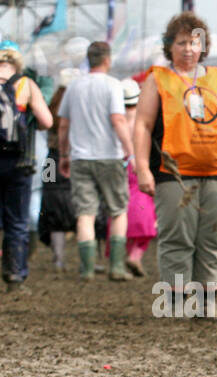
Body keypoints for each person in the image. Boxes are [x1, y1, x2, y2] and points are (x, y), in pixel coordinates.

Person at [134, 12, 217, 302]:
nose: (188, 49)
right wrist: (142, 168)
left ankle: (209, 302)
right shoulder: (158, 79)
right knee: (177, 239)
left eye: (194, 43)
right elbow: (142, 125)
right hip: (175, 174)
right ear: (169, 46)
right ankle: (178, 304)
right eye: (181, 43)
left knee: (215, 239)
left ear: (203, 46)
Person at [57, 41, 133, 282]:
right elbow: (118, 120)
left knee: (85, 213)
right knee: (118, 210)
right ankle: (117, 267)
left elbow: (63, 125)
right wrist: (128, 148)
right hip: (109, 156)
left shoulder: (74, 86)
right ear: (107, 60)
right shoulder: (112, 85)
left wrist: (63, 154)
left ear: (89, 59)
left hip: (80, 158)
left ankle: (87, 269)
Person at [0, 41, 53, 291]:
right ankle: (15, 275)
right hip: (20, 161)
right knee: (17, 220)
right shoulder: (26, 84)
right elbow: (46, 121)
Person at [38, 81, 76, 272]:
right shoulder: (76, 107)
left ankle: (58, 258)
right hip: (72, 160)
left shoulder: (52, 107)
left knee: (51, 205)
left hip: (51, 159)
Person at [121, 79, 157, 277]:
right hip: (140, 168)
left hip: (120, 168)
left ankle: (127, 255)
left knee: (121, 212)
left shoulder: (116, 118)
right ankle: (135, 255)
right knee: (144, 213)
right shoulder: (142, 118)